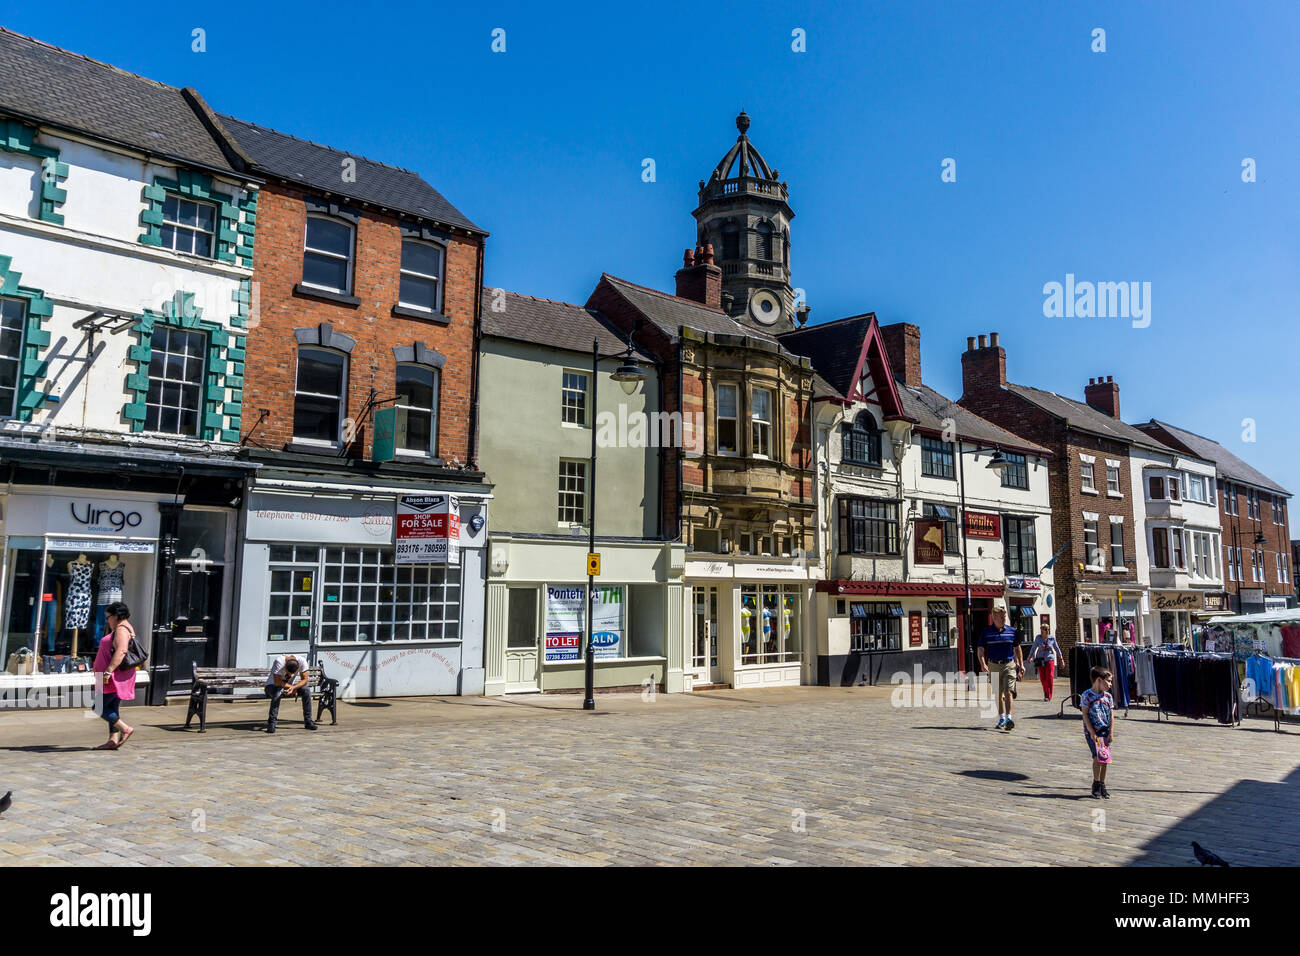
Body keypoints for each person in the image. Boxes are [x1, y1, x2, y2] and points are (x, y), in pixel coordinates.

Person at [91, 601, 137, 750]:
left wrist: (108, 671)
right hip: (112, 676)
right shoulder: (121, 628)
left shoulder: (122, 629)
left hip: (112, 677)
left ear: (116, 616)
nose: (107, 620)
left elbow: (121, 651)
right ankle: (113, 740)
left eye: (108, 617)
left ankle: (125, 729)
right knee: (112, 707)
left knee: (98, 707)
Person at [977, 606, 1024, 730]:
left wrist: (1021, 664)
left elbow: (1017, 648)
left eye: (1004, 617)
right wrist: (983, 663)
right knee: (998, 693)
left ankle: (1009, 718)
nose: (1004, 619)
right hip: (993, 665)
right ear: (994, 618)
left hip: (1009, 664)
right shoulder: (986, 632)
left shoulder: (1012, 631)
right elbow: (981, 649)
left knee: (1009, 691)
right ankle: (1002, 717)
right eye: (1001, 617)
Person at [1080, 666, 1115, 798]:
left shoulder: (1108, 697)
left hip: (1105, 731)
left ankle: (1102, 783)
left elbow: (1111, 715)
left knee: (1104, 759)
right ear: (1099, 680)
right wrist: (1091, 732)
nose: (1110, 684)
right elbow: (1085, 715)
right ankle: (1096, 783)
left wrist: (1111, 732)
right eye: (1108, 681)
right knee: (1097, 757)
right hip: (1093, 732)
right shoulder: (1087, 695)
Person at [265, 653, 317, 734]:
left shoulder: (302, 661)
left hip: (289, 687)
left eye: (292, 673)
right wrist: (291, 687)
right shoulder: (279, 661)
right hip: (272, 687)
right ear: (285, 666)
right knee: (278, 692)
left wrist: (294, 688)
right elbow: (277, 682)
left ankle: (308, 721)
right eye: (288, 672)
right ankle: (272, 723)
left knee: (306, 690)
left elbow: (305, 680)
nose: (290, 675)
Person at [1027, 621, 1064, 701]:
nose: (1047, 631)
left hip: (1049, 659)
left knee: (1050, 677)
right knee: (1043, 678)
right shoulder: (1038, 638)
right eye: (1046, 629)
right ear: (1042, 630)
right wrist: (1030, 657)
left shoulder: (1052, 638)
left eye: (1048, 629)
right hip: (1040, 660)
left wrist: (1061, 659)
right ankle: (1046, 693)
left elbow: (1057, 649)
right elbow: (1033, 647)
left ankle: (1048, 696)